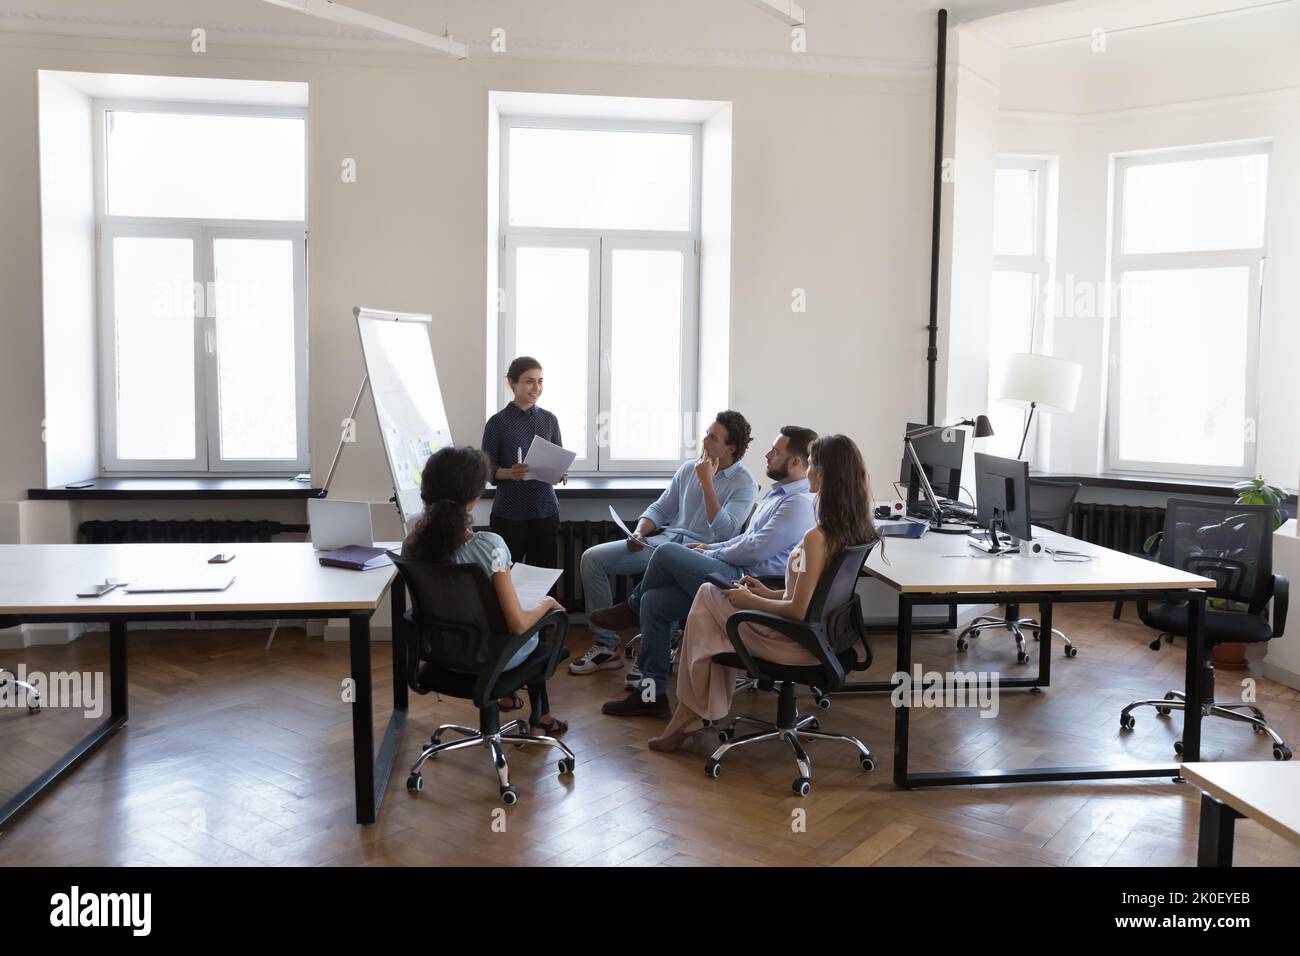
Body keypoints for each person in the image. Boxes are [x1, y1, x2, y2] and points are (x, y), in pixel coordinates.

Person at [648, 434, 878, 752]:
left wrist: (750, 601)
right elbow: (811, 596)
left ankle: (693, 714)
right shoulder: (853, 529)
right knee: (713, 618)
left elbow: (799, 610)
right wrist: (764, 593)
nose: (808, 470)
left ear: (824, 474)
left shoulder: (816, 536)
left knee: (706, 596)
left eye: (813, 464)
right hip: (819, 638)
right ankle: (695, 714)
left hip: (795, 642)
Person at [593, 426, 819, 718]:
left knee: (665, 553)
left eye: (776, 451)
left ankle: (630, 608)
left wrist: (713, 550)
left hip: (747, 583)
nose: (767, 454)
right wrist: (710, 548)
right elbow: (745, 539)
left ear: (796, 463)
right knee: (655, 603)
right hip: (735, 568)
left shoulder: (797, 504)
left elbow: (753, 551)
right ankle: (651, 696)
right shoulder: (779, 494)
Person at [571, 411, 759, 675]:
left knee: (665, 577)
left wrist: (707, 483)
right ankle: (606, 645)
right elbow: (660, 509)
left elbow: (725, 531)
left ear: (731, 447)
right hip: (663, 543)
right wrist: (639, 531)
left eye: (713, 437)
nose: (704, 440)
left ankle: (653, 652)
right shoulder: (688, 468)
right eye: (706, 433)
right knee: (592, 558)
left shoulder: (745, 483)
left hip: (700, 554)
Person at [402, 445, 568, 736]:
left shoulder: (412, 544)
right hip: (492, 658)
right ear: (474, 496)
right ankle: (539, 716)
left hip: (441, 654)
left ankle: (510, 701)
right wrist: (549, 603)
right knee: (536, 618)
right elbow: (517, 625)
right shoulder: (489, 546)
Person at [481, 356, 565, 570]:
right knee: (506, 575)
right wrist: (510, 473)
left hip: (545, 509)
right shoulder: (497, 422)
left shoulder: (550, 420)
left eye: (540, 381)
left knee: (543, 575)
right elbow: (488, 471)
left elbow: (558, 457)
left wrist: (560, 472)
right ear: (512, 382)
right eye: (529, 381)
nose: (536, 387)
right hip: (509, 512)